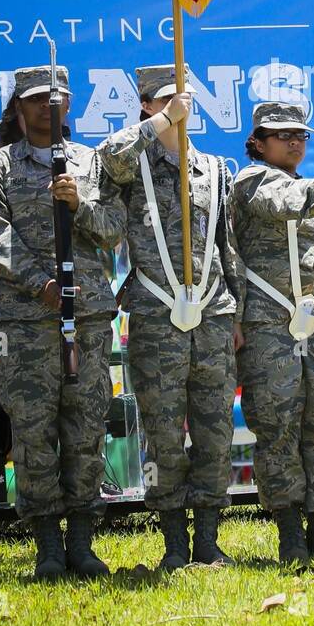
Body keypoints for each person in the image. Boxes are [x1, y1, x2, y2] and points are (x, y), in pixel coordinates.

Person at [0, 65, 125, 579]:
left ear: (70, 105)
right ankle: (47, 547)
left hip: (87, 316)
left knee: (85, 425)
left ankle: (82, 541)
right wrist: (39, 281)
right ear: (19, 107)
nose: (48, 107)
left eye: (57, 98)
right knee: (34, 429)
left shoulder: (91, 164)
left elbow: (112, 232)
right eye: (37, 99)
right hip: (25, 320)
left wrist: (78, 203)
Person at [98, 65, 244, 571]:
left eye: (183, 102)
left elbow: (228, 248)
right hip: (157, 317)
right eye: (163, 102)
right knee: (163, 434)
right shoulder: (134, 164)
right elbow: (104, 161)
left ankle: (207, 541)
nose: (179, 110)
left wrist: (238, 312)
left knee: (214, 431)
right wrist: (159, 125)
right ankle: (174, 546)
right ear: (145, 106)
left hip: (212, 315)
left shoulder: (215, 169)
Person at [231, 102, 314, 566]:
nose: (294, 142)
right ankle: (290, 530)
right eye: (283, 134)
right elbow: (285, 202)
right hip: (270, 321)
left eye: (301, 135)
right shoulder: (250, 181)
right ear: (260, 141)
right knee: (277, 422)